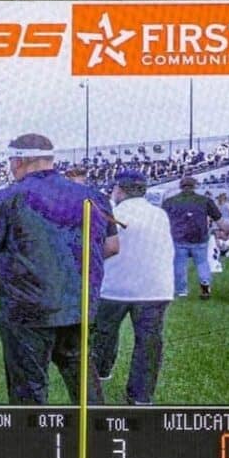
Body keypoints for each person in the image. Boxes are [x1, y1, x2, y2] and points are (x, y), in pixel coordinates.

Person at [0, 133, 117, 406]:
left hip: (27, 309)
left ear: (17, 161)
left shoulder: (6, 198)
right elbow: (111, 246)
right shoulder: (94, 196)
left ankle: (33, 444)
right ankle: (98, 438)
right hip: (80, 304)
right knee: (83, 379)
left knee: (29, 389)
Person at [91, 171, 174, 405]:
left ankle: (101, 372)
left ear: (120, 189)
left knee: (104, 334)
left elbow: (102, 248)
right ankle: (141, 395)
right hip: (155, 288)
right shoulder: (160, 215)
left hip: (115, 287)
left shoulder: (113, 214)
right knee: (148, 342)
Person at [161, 175, 221, 298]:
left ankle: (181, 291)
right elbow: (218, 218)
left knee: (179, 264)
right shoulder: (205, 200)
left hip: (179, 237)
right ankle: (205, 287)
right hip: (200, 237)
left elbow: (162, 220)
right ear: (195, 186)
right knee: (202, 263)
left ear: (180, 187)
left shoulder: (170, 201)